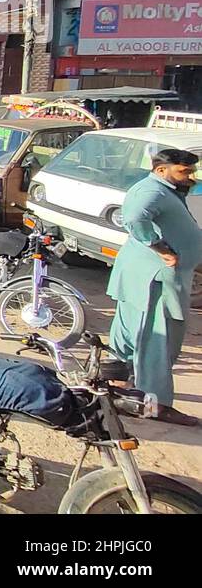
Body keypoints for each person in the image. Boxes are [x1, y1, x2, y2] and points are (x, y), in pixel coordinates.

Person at [106, 148, 202, 426]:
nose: (190, 177)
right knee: (157, 343)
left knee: (129, 337)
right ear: (162, 170)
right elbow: (135, 218)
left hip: (142, 277)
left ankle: (117, 392)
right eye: (184, 172)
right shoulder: (152, 191)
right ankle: (153, 406)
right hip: (153, 282)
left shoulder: (164, 189)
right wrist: (159, 248)